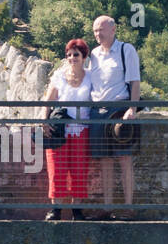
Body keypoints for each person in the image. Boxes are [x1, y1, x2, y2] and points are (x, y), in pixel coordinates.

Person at [88, 15, 140, 214]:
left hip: (119, 110)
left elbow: (135, 81)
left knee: (124, 159)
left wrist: (132, 109)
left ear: (113, 29)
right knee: (105, 161)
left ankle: (128, 208)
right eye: (94, 31)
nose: (97, 34)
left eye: (101, 30)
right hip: (97, 111)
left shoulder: (126, 50)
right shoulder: (93, 54)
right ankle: (107, 208)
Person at [43, 38, 92, 222]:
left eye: (76, 54)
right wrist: (43, 122)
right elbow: (48, 101)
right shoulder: (59, 76)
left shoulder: (90, 76)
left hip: (81, 129)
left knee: (79, 170)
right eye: (69, 55)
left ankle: (76, 210)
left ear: (84, 56)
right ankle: (55, 209)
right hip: (59, 129)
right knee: (57, 169)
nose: (72, 58)